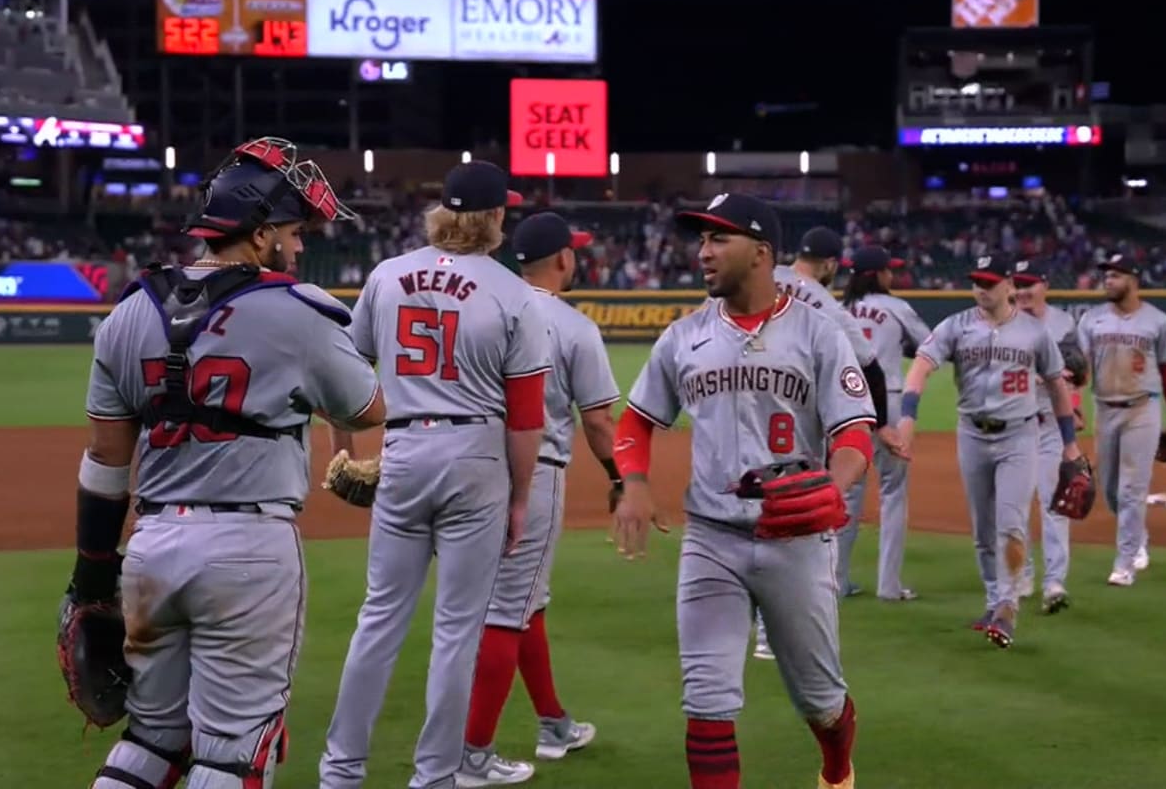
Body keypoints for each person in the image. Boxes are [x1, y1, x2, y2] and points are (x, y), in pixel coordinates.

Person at [71, 136, 387, 789]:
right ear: (262, 232)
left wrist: (91, 577)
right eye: (295, 232)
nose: (300, 247)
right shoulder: (299, 311)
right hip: (249, 551)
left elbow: (105, 462)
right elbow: (367, 408)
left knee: (153, 740)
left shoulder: (129, 312)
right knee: (235, 753)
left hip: (151, 548)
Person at [613, 193, 875, 789]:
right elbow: (635, 424)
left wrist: (836, 486)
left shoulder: (818, 334)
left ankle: (837, 767)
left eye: (716, 239)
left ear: (761, 253)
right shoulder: (683, 338)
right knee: (706, 699)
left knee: (821, 701)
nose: (702, 252)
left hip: (799, 540)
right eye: (700, 240)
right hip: (711, 537)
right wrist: (632, 483)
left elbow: (856, 430)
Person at [318, 160, 552, 789]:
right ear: (494, 217)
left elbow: (342, 376)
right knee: (457, 631)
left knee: (379, 618)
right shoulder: (513, 293)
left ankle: (340, 772)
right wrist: (522, 497)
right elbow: (527, 419)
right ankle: (435, 776)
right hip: (475, 455)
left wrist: (342, 452)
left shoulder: (387, 275)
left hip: (401, 453)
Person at [455, 212, 620, 786]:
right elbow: (599, 424)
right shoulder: (573, 325)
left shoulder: (482, 305)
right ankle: (472, 756)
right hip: (537, 473)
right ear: (564, 259)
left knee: (524, 601)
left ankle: (554, 724)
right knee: (507, 612)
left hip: (470, 466)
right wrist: (620, 477)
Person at [887, 253, 1083, 649]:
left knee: (1010, 522)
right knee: (982, 529)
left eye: (989, 281)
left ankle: (1008, 608)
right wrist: (907, 416)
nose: (980, 288)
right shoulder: (956, 326)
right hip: (972, 434)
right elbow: (921, 366)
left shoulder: (1034, 332)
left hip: (1019, 436)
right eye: (976, 280)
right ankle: (994, 602)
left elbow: (1058, 387)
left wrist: (1070, 444)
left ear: (1009, 286)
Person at [748, 225, 891, 660]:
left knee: (739, 515)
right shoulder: (826, 303)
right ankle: (773, 630)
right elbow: (872, 368)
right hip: (796, 418)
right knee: (795, 515)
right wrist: (880, 424)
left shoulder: (761, 278)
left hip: (742, 405)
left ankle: (742, 617)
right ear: (830, 265)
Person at [1077, 253, 1166, 587]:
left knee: (1131, 489)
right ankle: (1138, 535)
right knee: (1110, 488)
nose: (1108, 280)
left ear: (1133, 279)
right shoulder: (1090, 320)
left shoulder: (1158, 321)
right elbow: (1080, 369)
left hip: (1143, 408)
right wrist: (1072, 402)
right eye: (1106, 275)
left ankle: (1124, 564)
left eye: (1115, 275)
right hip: (1105, 408)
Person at [838, 245, 933, 602]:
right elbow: (929, 346)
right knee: (893, 493)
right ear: (877, 274)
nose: (891, 275)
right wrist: (899, 347)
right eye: (887, 270)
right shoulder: (896, 308)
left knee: (848, 493)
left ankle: (837, 581)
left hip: (846, 406)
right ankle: (889, 585)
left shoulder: (838, 310)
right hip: (889, 401)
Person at [1011, 258, 1081, 613]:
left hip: (1053, 424)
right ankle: (1021, 573)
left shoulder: (1064, 323)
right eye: (1018, 285)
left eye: (1029, 284)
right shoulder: (1003, 322)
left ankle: (1055, 582)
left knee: (1054, 504)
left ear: (1045, 286)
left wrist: (1074, 402)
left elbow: (1079, 372)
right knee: (1016, 505)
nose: (1022, 292)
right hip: (1016, 426)